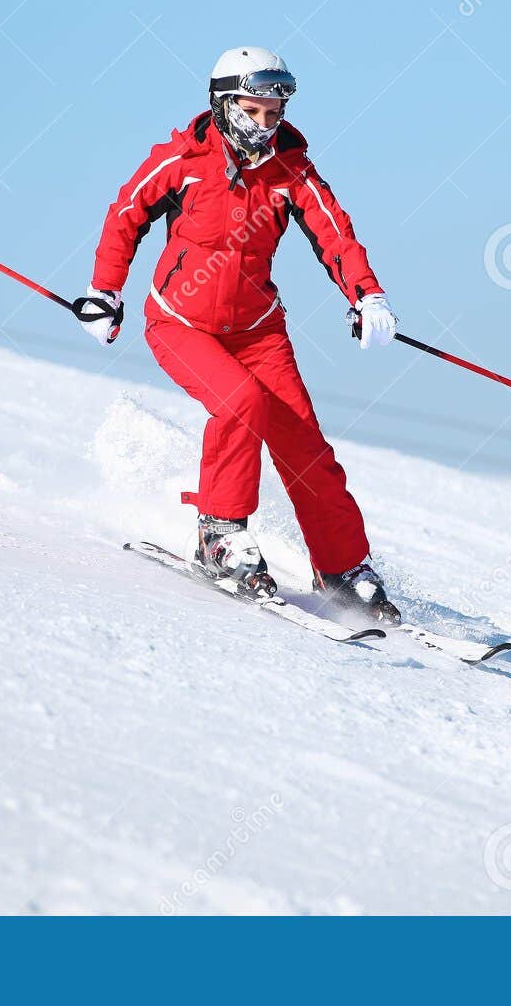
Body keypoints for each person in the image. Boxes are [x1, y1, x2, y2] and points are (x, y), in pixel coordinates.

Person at [78, 47, 400, 621]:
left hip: (258, 331)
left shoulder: (290, 171)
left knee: (305, 445)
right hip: (181, 324)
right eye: (255, 111)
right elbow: (125, 213)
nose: (266, 124)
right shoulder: (182, 159)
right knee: (239, 403)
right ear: (225, 105)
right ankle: (220, 536)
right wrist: (106, 292)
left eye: (275, 114)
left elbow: (335, 234)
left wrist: (366, 295)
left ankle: (343, 569)